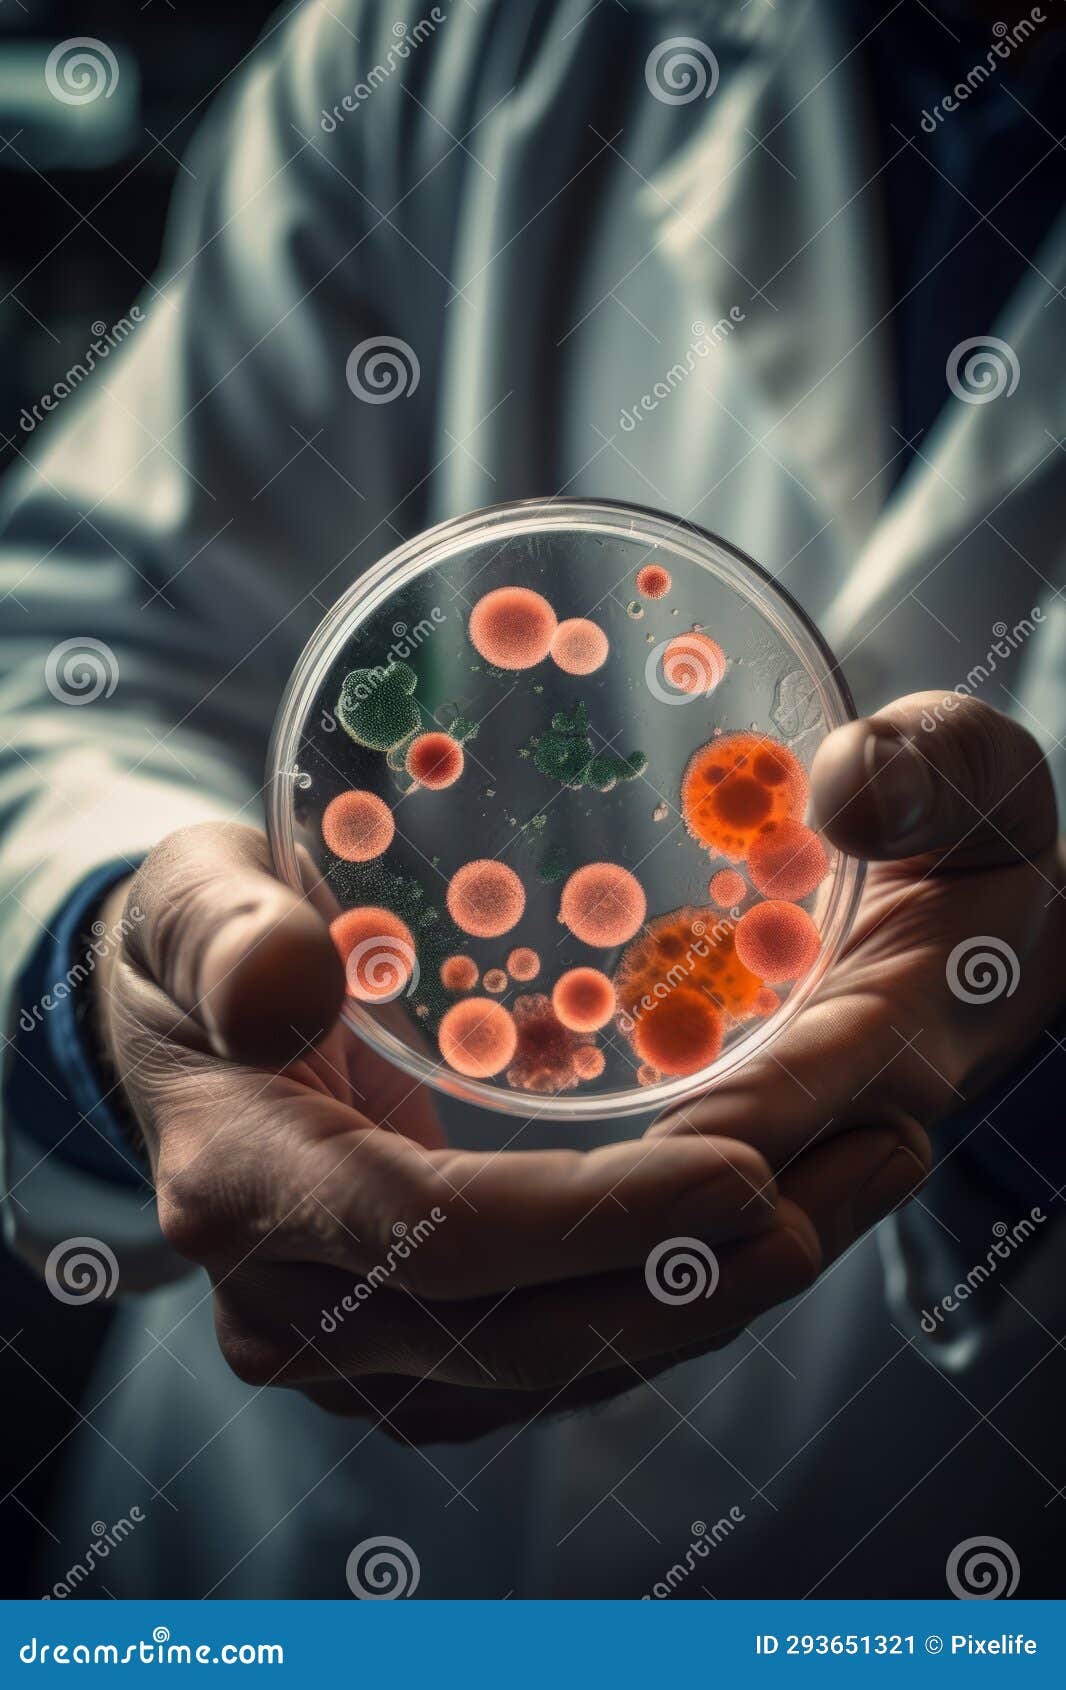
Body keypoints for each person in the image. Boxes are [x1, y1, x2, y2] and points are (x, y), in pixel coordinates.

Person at [1, 0, 1063, 1598]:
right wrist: (115, 1001)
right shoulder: (449, 39)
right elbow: (80, 656)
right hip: (286, 1556)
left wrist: (1027, 1068)